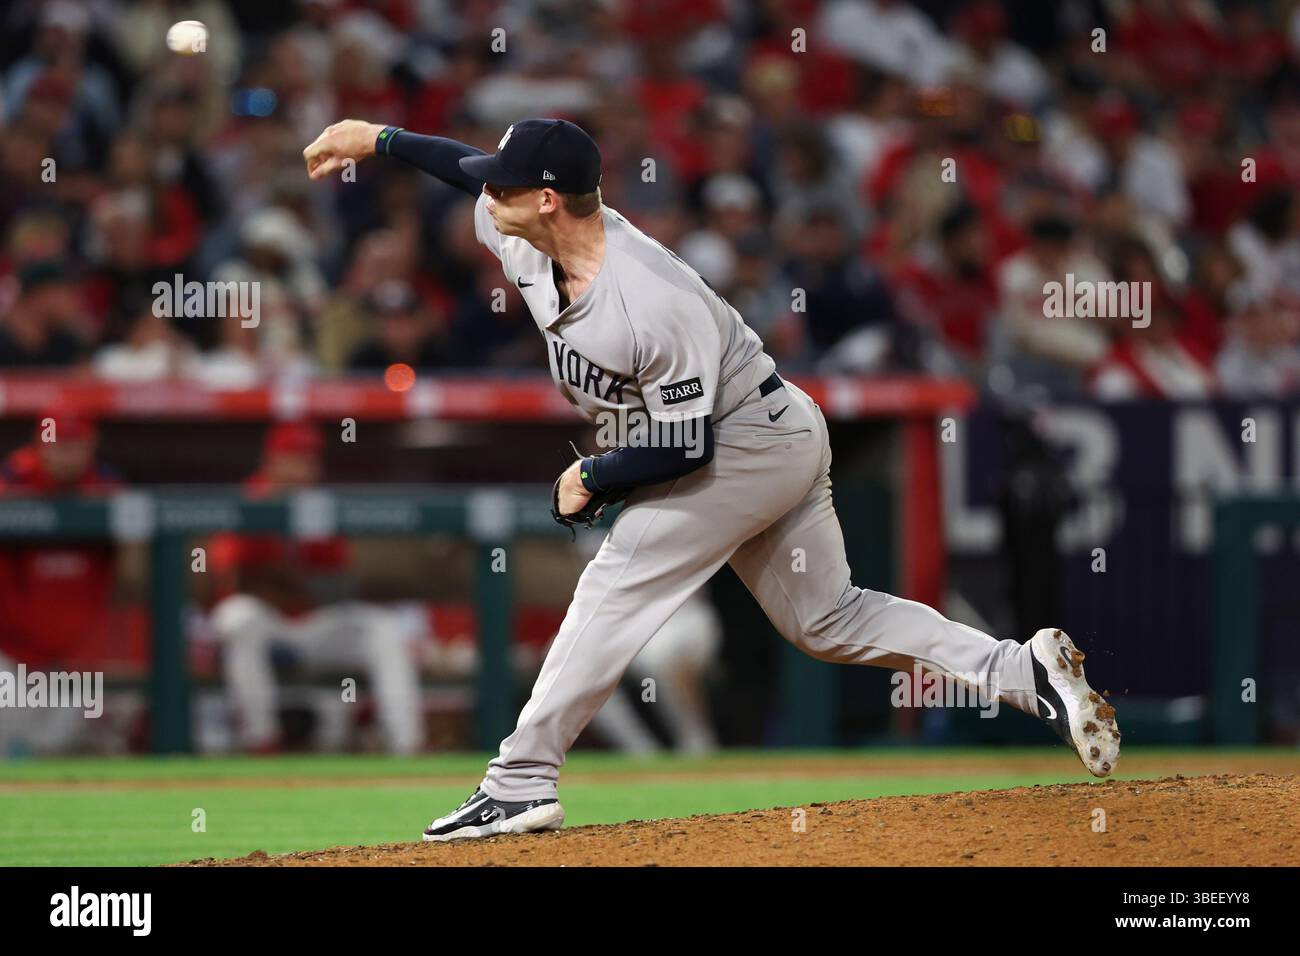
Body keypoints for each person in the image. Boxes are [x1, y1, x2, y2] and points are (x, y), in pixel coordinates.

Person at [303, 117, 1121, 842]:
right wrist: (375, 139)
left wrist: (594, 474)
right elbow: (460, 165)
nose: (487, 194)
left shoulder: (649, 296)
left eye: (506, 185)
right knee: (827, 619)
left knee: (615, 585)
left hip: (744, 439)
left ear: (550, 199)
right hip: (762, 430)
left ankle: (518, 784)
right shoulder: (518, 226)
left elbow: (686, 447)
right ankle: (1019, 671)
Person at [206, 422, 424, 754]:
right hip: (267, 625)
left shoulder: (320, 506)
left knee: (384, 629)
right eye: (293, 458)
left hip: (313, 623)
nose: (302, 468)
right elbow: (226, 577)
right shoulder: (249, 500)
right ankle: (261, 739)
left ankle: (408, 745)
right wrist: (277, 578)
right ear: (272, 460)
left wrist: (301, 583)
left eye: (308, 459)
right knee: (237, 617)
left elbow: (336, 578)